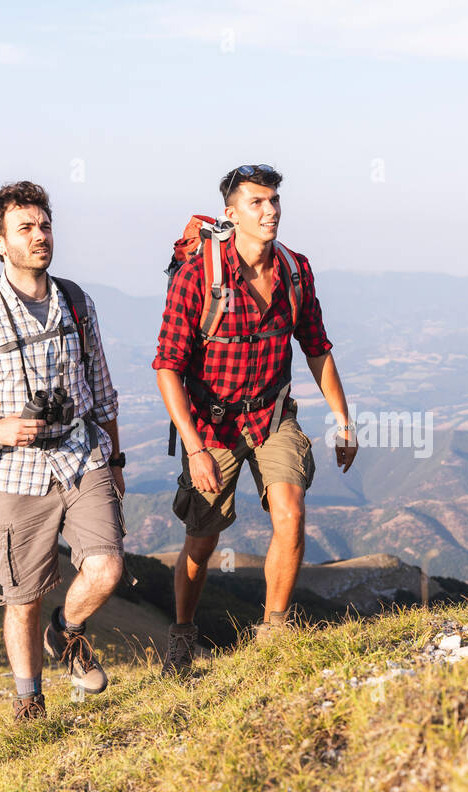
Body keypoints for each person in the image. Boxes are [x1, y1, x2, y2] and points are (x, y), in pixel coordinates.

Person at [0, 181, 126, 721]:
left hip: (82, 453)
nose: (40, 237)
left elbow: (102, 390)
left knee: (105, 569)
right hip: (12, 472)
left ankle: (69, 631)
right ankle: (29, 701)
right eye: (25, 228)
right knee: (23, 595)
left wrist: (117, 459)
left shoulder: (77, 301)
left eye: (45, 225)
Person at [153, 164, 357, 666]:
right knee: (203, 539)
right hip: (211, 423)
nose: (270, 212)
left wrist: (342, 418)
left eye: (274, 201)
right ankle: (182, 633)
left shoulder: (294, 269)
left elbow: (316, 347)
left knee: (291, 513)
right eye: (256, 203)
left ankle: (273, 634)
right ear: (231, 213)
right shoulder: (199, 275)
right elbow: (167, 367)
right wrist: (195, 447)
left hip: (271, 413)